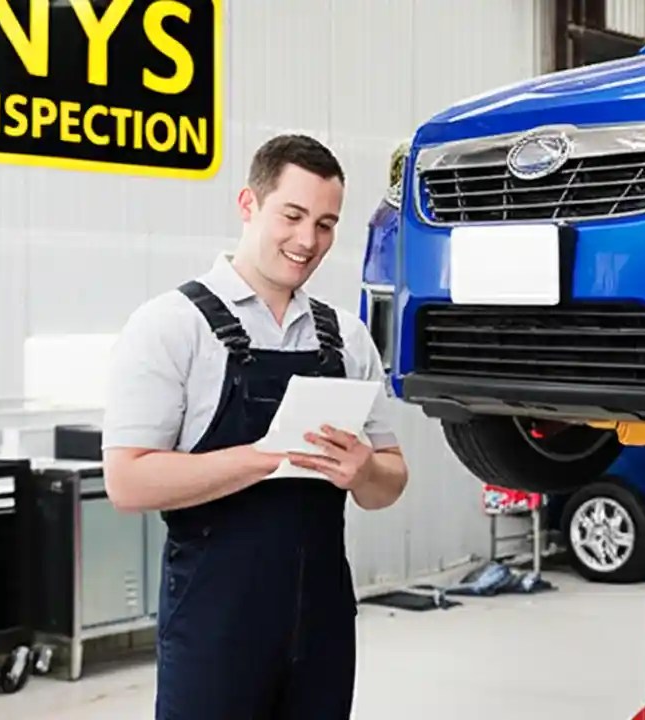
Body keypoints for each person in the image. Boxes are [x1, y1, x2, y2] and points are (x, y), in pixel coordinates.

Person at [101, 133, 410, 720]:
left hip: (321, 622)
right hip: (215, 625)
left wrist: (364, 469)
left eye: (325, 224)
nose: (307, 240)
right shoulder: (170, 327)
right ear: (249, 204)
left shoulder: (346, 338)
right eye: (291, 216)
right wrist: (269, 457)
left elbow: (391, 481)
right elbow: (127, 481)